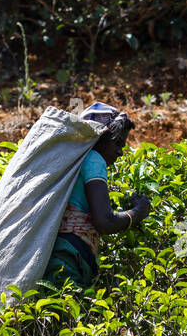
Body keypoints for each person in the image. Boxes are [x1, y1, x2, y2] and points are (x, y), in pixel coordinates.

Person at [41, 102, 152, 290]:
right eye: (116, 143)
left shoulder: (73, 160)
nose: (120, 152)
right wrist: (138, 212)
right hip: (68, 257)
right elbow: (104, 221)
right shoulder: (94, 159)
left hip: (58, 253)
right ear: (98, 138)